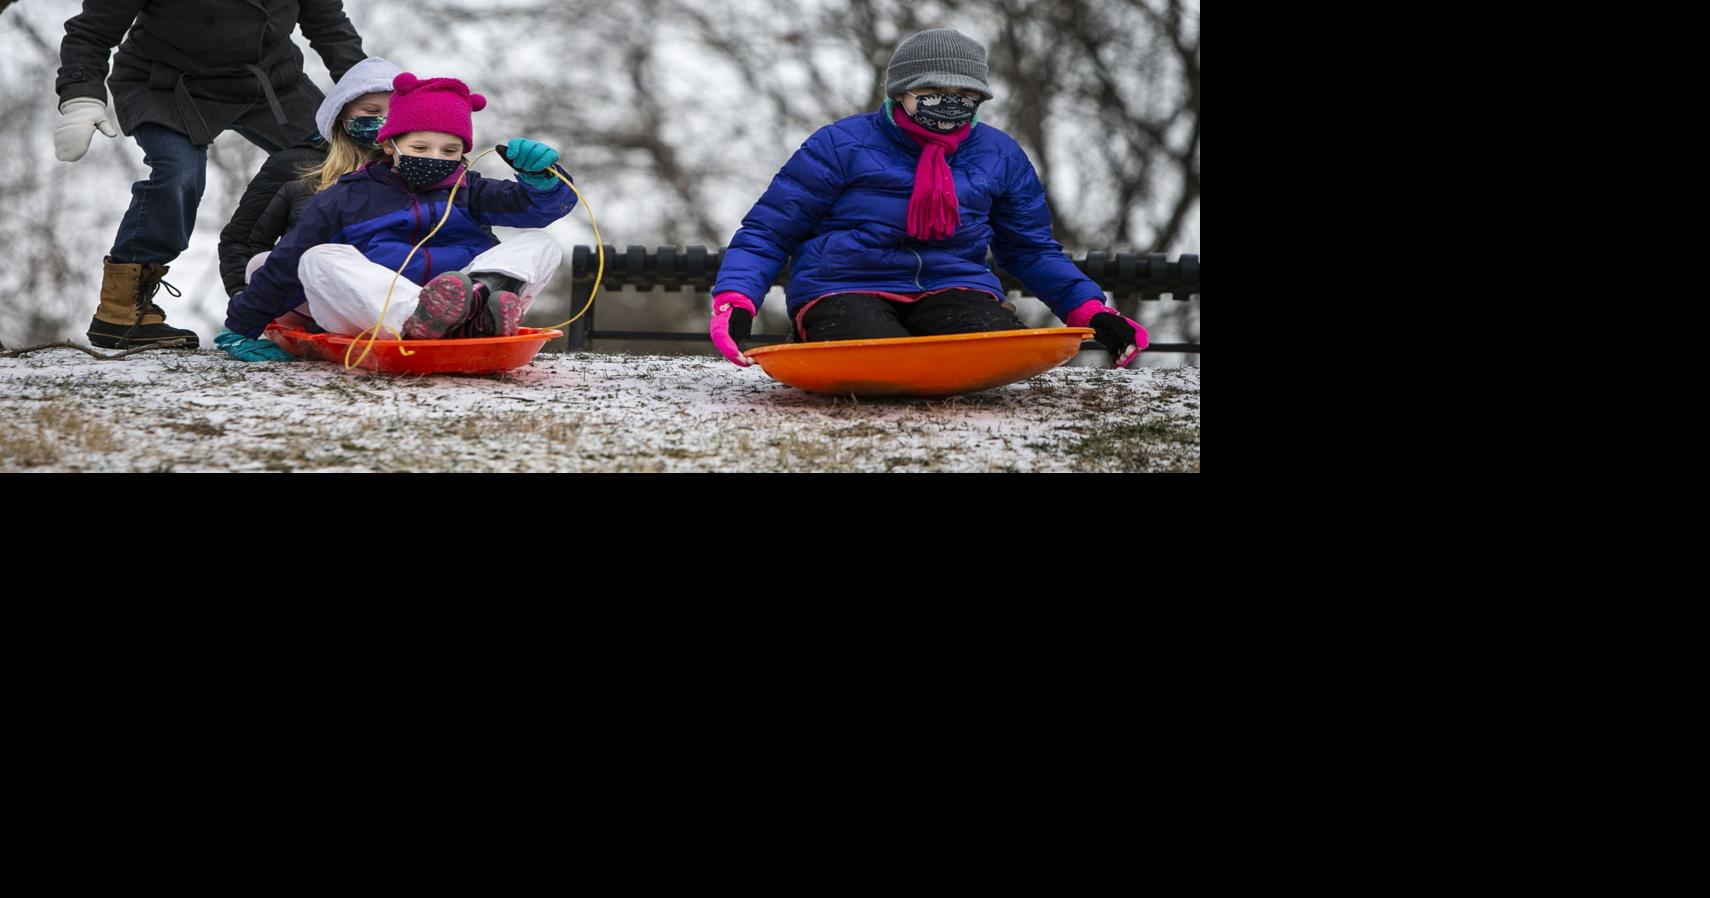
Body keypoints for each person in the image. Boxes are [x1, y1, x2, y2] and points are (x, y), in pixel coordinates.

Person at [710, 28, 1147, 368]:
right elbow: (769, 231)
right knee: (876, 354)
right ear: (901, 92)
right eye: (934, 93)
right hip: (844, 283)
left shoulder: (999, 155)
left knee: (989, 346)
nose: (949, 105)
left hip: (952, 284)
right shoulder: (840, 145)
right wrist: (737, 299)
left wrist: (1089, 311)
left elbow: (1029, 249)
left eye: (965, 96)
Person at [55, 0, 368, 349]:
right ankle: (121, 311)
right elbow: (91, 32)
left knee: (340, 161)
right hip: (164, 83)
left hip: (270, 81)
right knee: (178, 172)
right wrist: (80, 96)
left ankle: (314, 294)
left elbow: (330, 29)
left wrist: (378, 95)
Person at [216, 73, 575, 362]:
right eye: (420, 148)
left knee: (540, 244)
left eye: (449, 150)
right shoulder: (348, 195)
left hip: (461, 295)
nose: (435, 157)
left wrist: (543, 180)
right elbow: (287, 260)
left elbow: (538, 209)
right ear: (390, 145)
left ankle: (478, 306)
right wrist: (242, 324)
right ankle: (421, 318)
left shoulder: (468, 189)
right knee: (317, 257)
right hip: (380, 309)